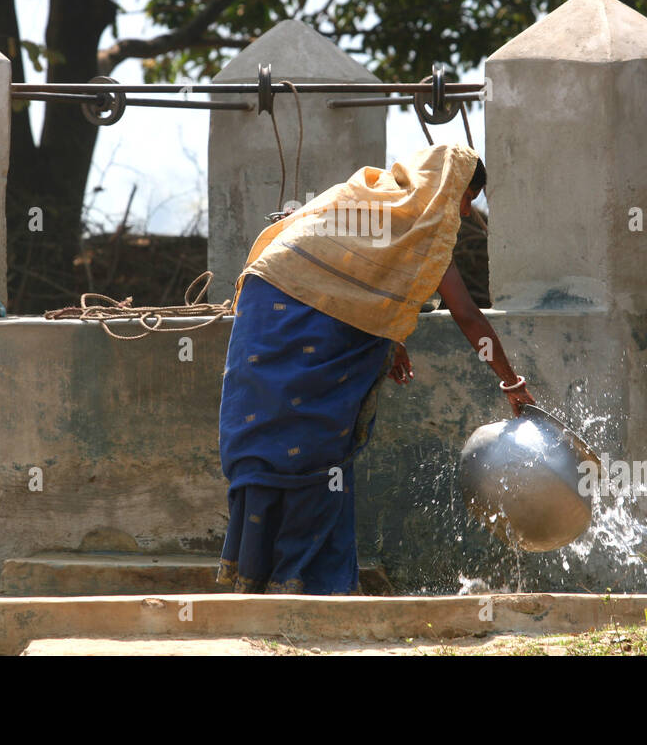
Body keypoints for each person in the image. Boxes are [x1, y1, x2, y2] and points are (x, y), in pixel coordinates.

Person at [215, 142, 535, 595]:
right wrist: (511, 382)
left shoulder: (362, 195)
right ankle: (305, 583)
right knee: (308, 448)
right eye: (466, 199)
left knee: (282, 441)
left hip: (265, 311)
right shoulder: (422, 227)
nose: (465, 214)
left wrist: (389, 333)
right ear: (448, 189)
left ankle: (284, 579)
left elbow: (354, 278)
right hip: (288, 317)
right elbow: (467, 315)